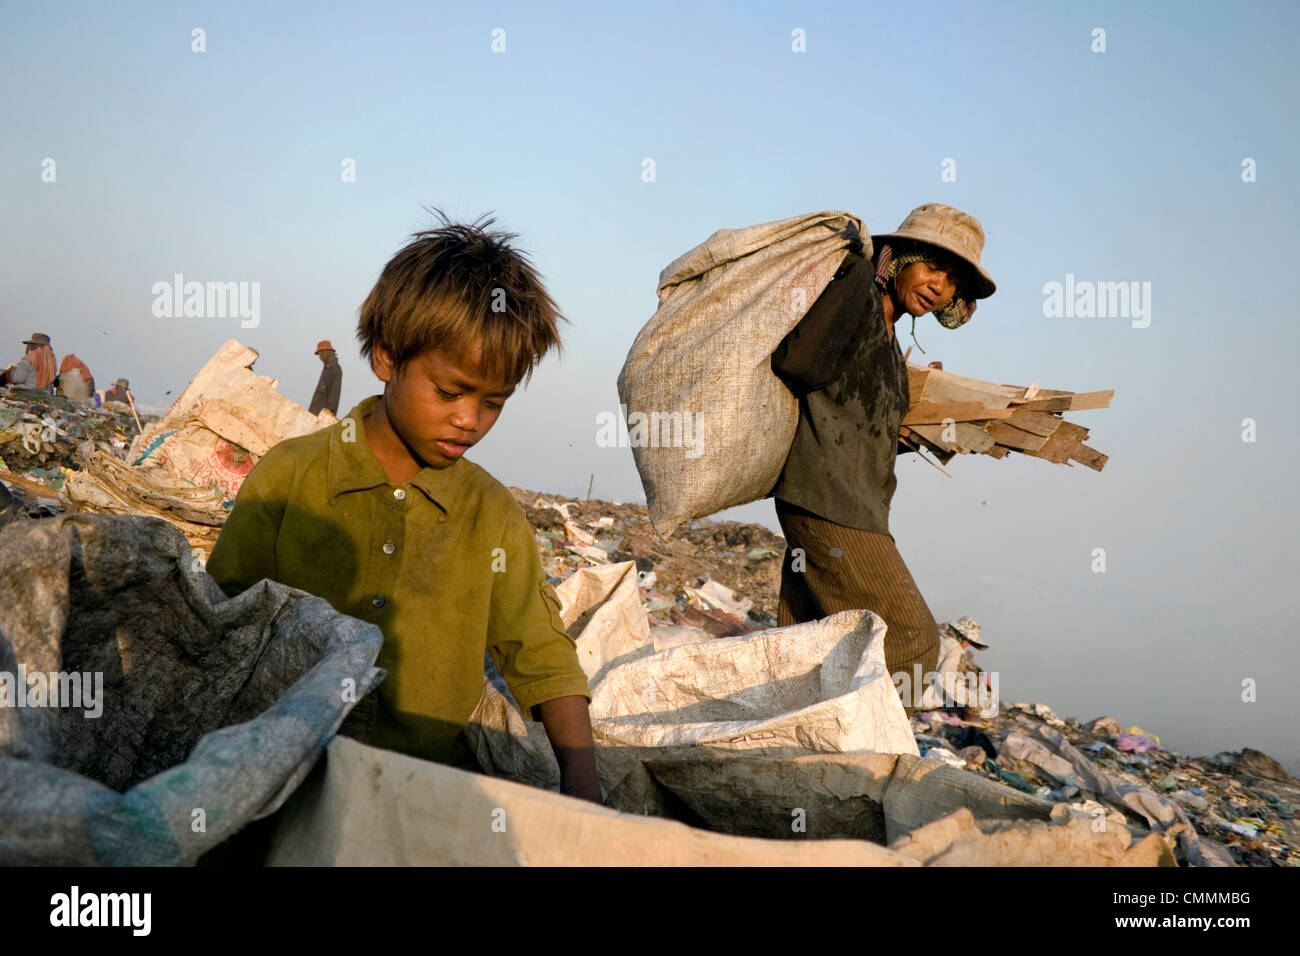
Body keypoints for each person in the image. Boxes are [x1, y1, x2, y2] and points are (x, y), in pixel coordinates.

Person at [206, 213, 601, 802]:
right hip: (280, 786)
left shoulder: (490, 514)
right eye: (450, 392)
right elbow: (221, 624)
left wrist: (583, 785)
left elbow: (540, 652)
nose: (470, 419)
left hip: (423, 797)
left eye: (494, 402)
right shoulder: (291, 477)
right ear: (387, 359)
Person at [769, 203, 996, 714]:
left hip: (850, 502)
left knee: (802, 651)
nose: (940, 286)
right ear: (900, 259)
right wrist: (853, 274)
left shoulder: (890, 339)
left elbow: (855, 418)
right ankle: (864, 760)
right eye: (933, 267)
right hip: (830, 501)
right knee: (912, 644)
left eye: (952, 280)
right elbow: (798, 362)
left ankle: (782, 759)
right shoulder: (857, 296)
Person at [308, 339, 342, 416]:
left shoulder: (335, 369)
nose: (320, 357)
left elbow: (333, 397)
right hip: (314, 415)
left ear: (326, 352)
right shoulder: (327, 368)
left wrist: (325, 416)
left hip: (322, 417)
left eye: (320, 353)